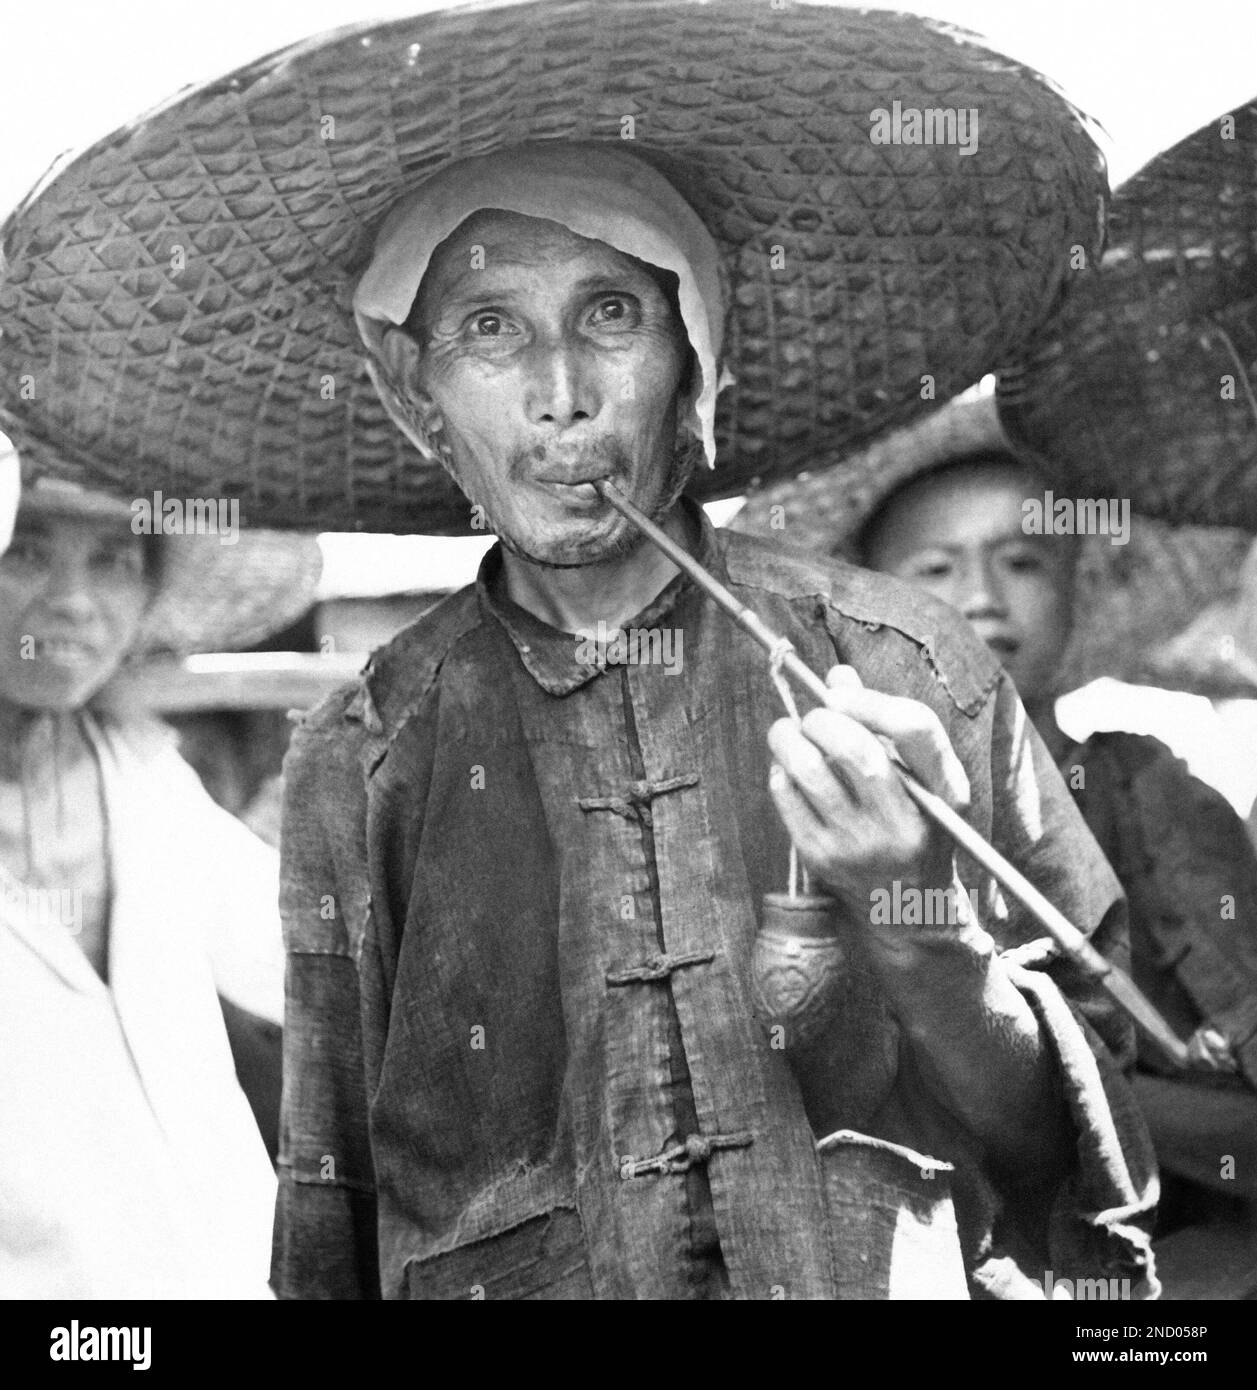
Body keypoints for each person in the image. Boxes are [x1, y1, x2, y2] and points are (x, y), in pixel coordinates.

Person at [0, 1, 1159, 1301]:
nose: (560, 390)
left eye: (611, 311)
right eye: (490, 328)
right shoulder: (366, 753)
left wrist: (918, 914)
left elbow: (1078, 1167)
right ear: (419, 398)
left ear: (694, 362)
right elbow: (332, 1219)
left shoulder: (900, 665)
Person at [857, 446, 1257, 1299]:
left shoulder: (1144, 795)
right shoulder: (825, 826)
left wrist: (1064, 1096)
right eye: (933, 567)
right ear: (856, 609)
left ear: (1078, 589)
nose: (980, 597)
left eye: (1023, 560)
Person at [0, 459, 313, 1298]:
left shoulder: (146, 780)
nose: (74, 602)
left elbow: (307, 968)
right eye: (26, 553)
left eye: (114, 559)